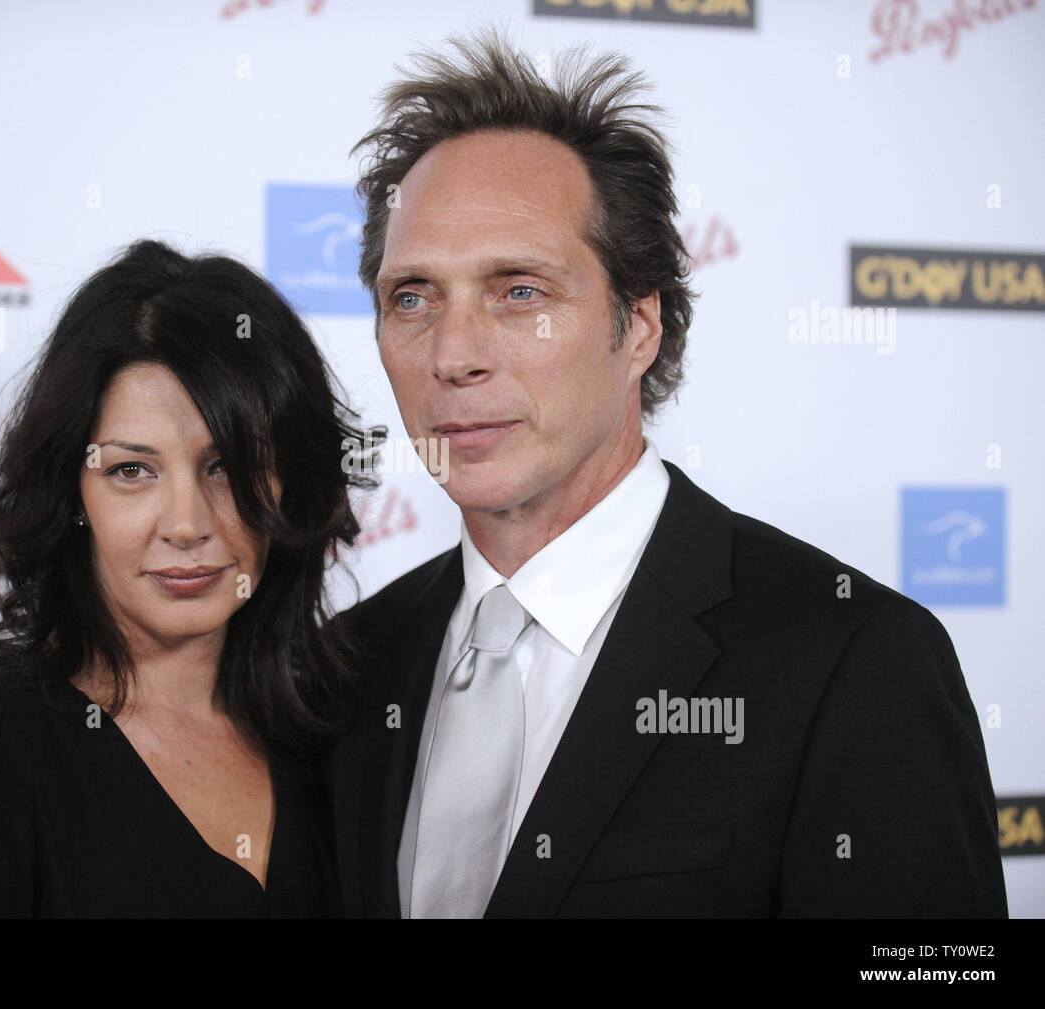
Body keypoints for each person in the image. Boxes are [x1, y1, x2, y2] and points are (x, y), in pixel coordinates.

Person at [329, 29, 1008, 918]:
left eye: (520, 292)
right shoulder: (346, 670)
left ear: (638, 325)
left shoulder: (854, 661)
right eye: (411, 297)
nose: (452, 354)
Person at [0, 239, 379, 917]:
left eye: (226, 465)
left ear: (289, 484)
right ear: (71, 495)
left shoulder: (343, 756)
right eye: (131, 470)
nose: (185, 523)